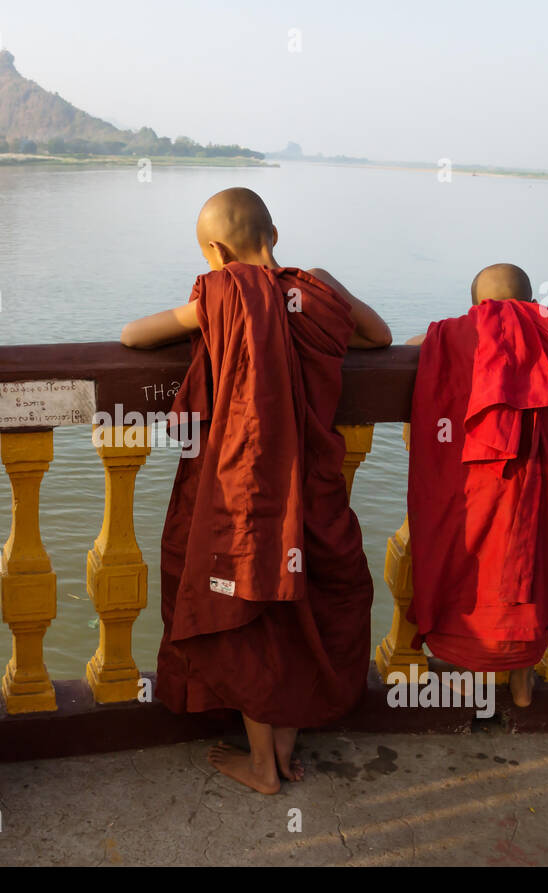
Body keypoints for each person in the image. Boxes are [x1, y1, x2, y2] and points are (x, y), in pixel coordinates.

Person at [121, 187, 391, 794]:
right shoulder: (318, 287)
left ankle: (263, 765)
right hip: (313, 485)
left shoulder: (221, 295)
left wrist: (212, 302)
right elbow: (377, 335)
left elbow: (135, 335)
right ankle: (289, 744)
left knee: (251, 613)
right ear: (274, 230)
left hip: (246, 487)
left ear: (215, 250)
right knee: (306, 604)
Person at [404, 263, 548, 707]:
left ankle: (471, 674)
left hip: (475, 485)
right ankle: (522, 682)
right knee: (531, 571)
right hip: (538, 486)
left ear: (476, 305)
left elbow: (417, 345)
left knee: (465, 564)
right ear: (531, 300)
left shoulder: (454, 333)